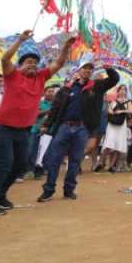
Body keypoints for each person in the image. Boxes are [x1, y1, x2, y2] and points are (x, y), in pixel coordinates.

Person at [0, 31, 74, 216]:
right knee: (4, 164)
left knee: (19, 165)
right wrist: (21, 40)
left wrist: (66, 47)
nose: (32, 64)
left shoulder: (40, 78)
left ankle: (0, 196)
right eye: (28, 62)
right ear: (19, 65)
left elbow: (59, 63)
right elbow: (5, 59)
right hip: (1, 127)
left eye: (35, 63)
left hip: (22, 130)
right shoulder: (12, 75)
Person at [37, 59, 119, 204]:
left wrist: (109, 68)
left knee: (75, 161)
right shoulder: (66, 88)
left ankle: (69, 190)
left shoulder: (97, 86)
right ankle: (48, 190)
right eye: (84, 68)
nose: (87, 71)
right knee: (55, 159)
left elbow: (114, 79)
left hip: (82, 128)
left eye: (90, 69)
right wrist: (47, 124)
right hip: (64, 127)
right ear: (79, 70)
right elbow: (55, 108)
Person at [29, 85, 56, 178]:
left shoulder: (56, 104)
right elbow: (36, 114)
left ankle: (40, 170)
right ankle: (30, 169)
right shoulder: (39, 102)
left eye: (52, 92)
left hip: (50, 131)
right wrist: (50, 110)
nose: (51, 93)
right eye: (49, 91)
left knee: (45, 152)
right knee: (32, 151)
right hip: (36, 129)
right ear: (44, 93)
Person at [101, 86, 131, 172]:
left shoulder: (128, 101)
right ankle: (100, 163)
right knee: (108, 143)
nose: (122, 91)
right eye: (121, 90)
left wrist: (121, 111)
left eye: (124, 90)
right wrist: (113, 112)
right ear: (118, 91)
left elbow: (130, 110)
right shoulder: (113, 101)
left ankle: (111, 166)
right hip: (112, 124)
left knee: (118, 145)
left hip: (121, 125)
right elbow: (109, 110)